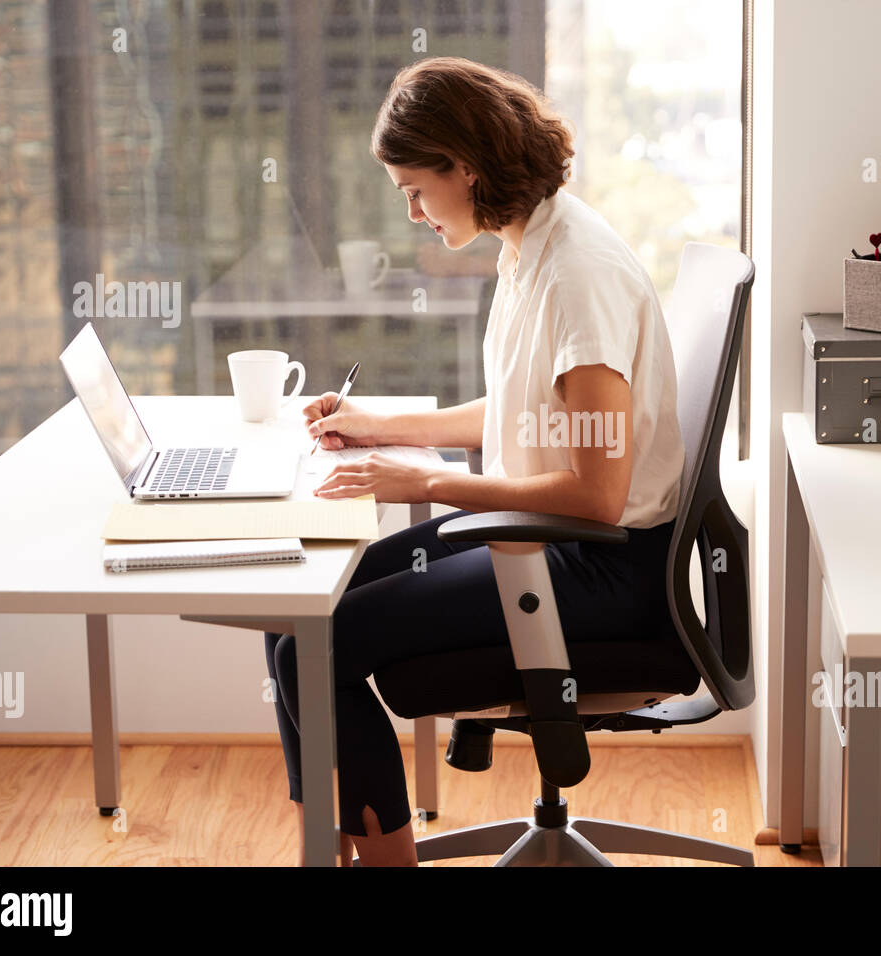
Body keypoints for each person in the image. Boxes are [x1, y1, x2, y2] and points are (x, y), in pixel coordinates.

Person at [264, 55, 687, 867]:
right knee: (297, 611)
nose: (416, 213)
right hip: (538, 538)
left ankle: (376, 860)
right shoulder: (532, 241)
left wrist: (423, 480)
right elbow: (531, 409)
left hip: (595, 566)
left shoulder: (577, 276)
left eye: (417, 191)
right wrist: (382, 427)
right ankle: (335, 847)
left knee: (315, 646)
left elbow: (598, 494)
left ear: (465, 166)